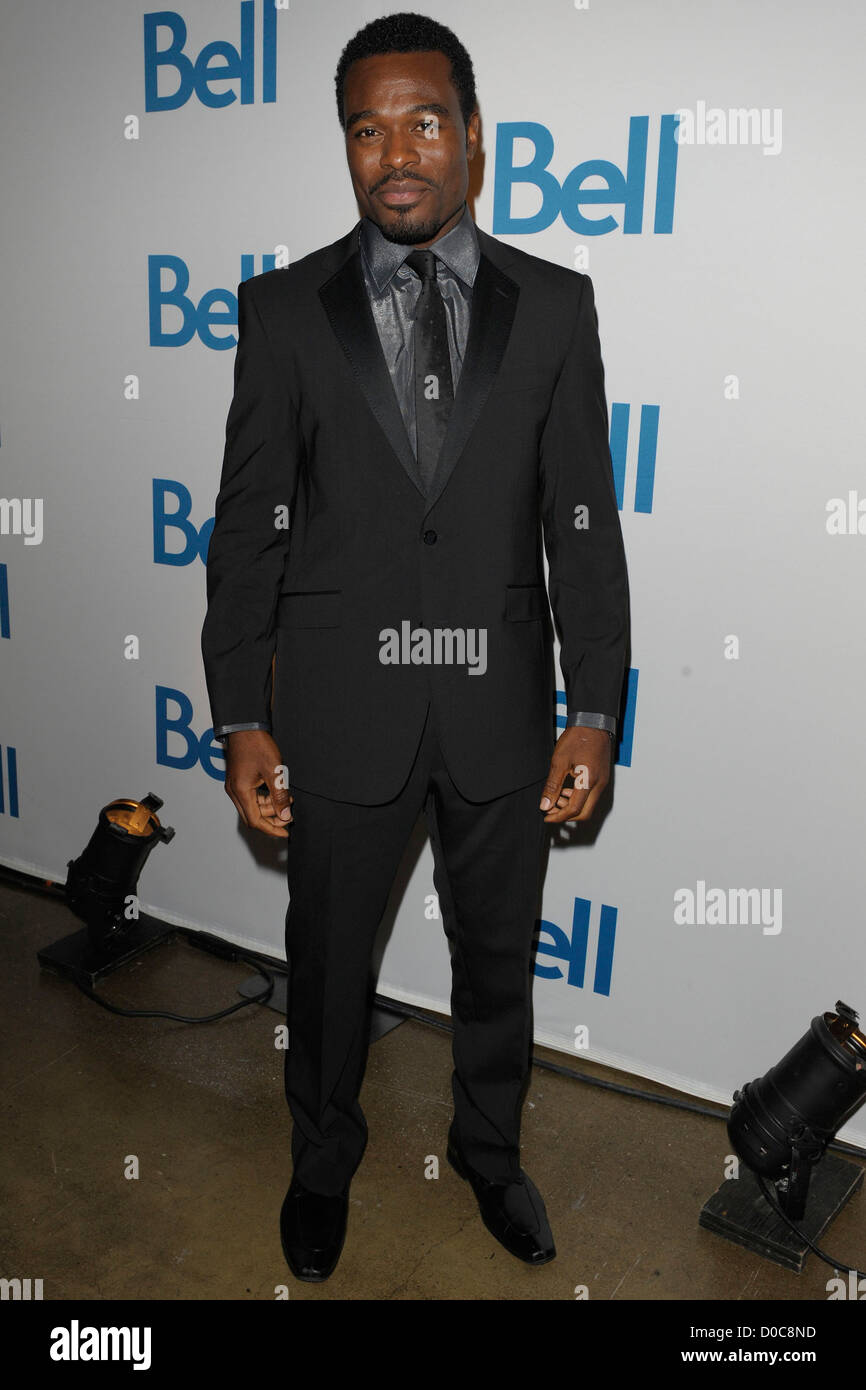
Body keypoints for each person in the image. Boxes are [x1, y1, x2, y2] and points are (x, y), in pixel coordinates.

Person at [201, 11, 629, 1283]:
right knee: (327, 971)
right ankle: (320, 1163)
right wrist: (240, 716)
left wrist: (593, 708)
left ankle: (490, 1158)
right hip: (338, 712)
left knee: (497, 963)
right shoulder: (282, 310)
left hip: (501, 709)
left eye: (423, 121)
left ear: (474, 140)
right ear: (346, 145)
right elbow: (246, 533)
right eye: (365, 127)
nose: (395, 152)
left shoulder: (554, 306)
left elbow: (582, 523)